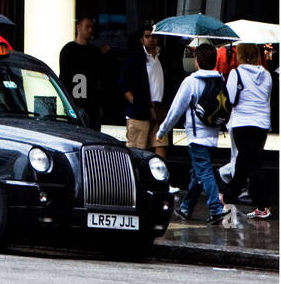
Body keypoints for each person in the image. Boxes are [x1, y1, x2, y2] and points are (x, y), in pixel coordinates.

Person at [157, 42, 229, 224]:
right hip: (212, 136)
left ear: (196, 60)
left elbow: (176, 110)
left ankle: (215, 208)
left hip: (197, 138)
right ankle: (186, 208)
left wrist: (163, 130)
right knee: (197, 174)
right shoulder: (219, 79)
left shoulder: (191, 82)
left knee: (204, 173)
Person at [222, 43, 273, 220]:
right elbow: (267, 97)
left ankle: (263, 204)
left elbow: (231, 99)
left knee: (252, 164)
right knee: (244, 164)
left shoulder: (236, 73)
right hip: (262, 124)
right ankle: (228, 196)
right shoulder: (266, 75)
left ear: (241, 55)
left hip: (242, 122)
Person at [119, 24, 167, 161]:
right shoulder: (135, 57)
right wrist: (134, 101)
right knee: (138, 150)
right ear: (141, 39)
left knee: (160, 144)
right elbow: (123, 82)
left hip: (158, 109)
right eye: (147, 36)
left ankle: (161, 178)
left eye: (154, 36)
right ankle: (138, 180)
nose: (151, 39)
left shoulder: (161, 57)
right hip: (139, 111)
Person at [59, 16, 109, 128]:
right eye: (87, 27)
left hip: (91, 104)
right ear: (78, 27)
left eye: (92, 27)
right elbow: (64, 78)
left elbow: (99, 79)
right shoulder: (68, 50)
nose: (90, 30)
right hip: (74, 103)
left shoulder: (95, 53)